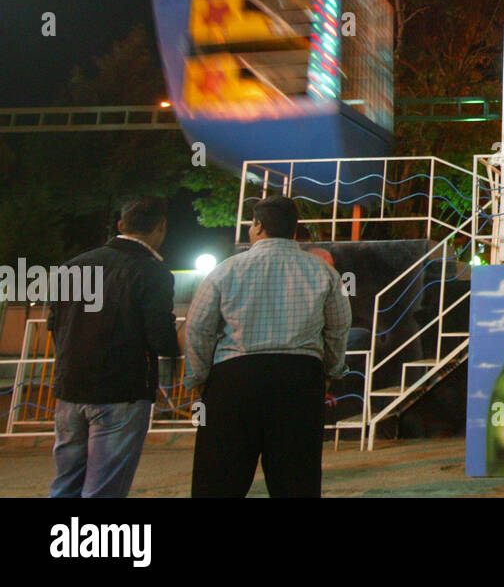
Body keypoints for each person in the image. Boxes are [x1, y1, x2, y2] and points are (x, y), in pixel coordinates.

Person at [184, 195, 351, 497]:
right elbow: (338, 328)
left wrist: (199, 377)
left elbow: (198, 329)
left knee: (218, 482)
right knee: (296, 482)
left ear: (258, 226)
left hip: (234, 381)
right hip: (299, 382)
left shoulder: (225, 270)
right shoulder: (324, 272)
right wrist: (331, 369)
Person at [47, 196, 180, 498]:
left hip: (70, 390)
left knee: (65, 483)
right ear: (161, 227)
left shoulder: (72, 267)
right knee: (103, 490)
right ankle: (95, 545)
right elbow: (159, 334)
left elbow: (55, 325)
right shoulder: (153, 273)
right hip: (122, 393)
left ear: (120, 225)